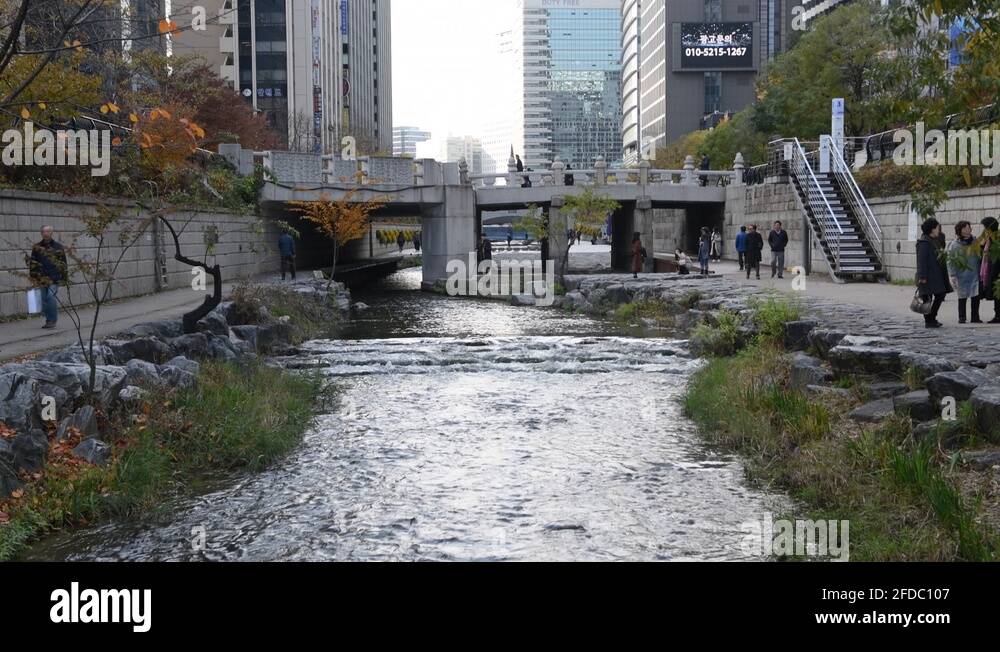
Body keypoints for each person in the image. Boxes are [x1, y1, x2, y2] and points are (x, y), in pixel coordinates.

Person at [915, 217, 953, 328]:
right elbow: (921, 261)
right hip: (928, 275)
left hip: (936, 275)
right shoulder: (924, 243)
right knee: (927, 298)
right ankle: (929, 320)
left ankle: (932, 317)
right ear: (932, 229)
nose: (938, 230)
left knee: (940, 294)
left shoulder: (935, 240)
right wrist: (922, 276)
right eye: (937, 228)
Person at [28, 225, 68, 329]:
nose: (46, 233)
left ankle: (52, 320)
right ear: (41, 233)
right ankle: (48, 320)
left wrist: (64, 277)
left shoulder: (58, 247)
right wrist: (33, 276)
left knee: (50, 296)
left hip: (53, 277)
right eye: (44, 232)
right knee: (44, 299)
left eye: (48, 231)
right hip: (41, 277)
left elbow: (63, 263)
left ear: (51, 233)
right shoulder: (36, 247)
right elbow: (33, 262)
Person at [947, 220, 981, 324]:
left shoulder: (976, 241)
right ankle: (962, 317)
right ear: (959, 230)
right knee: (962, 296)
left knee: (975, 295)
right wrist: (952, 274)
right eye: (965, 228)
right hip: (961, 274)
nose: (968, 230)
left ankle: (975, 317)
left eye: (969, 227)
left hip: (974, 272)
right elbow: (950, 260)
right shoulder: (954, 244)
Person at [979, 217, 1000, 323]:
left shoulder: (995, 238)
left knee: (997, 295)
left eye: (985, 227)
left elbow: (994, 256)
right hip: (992, 270)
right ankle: (997, 314)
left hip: (995, 270)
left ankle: (998, 315)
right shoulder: (990, 238)